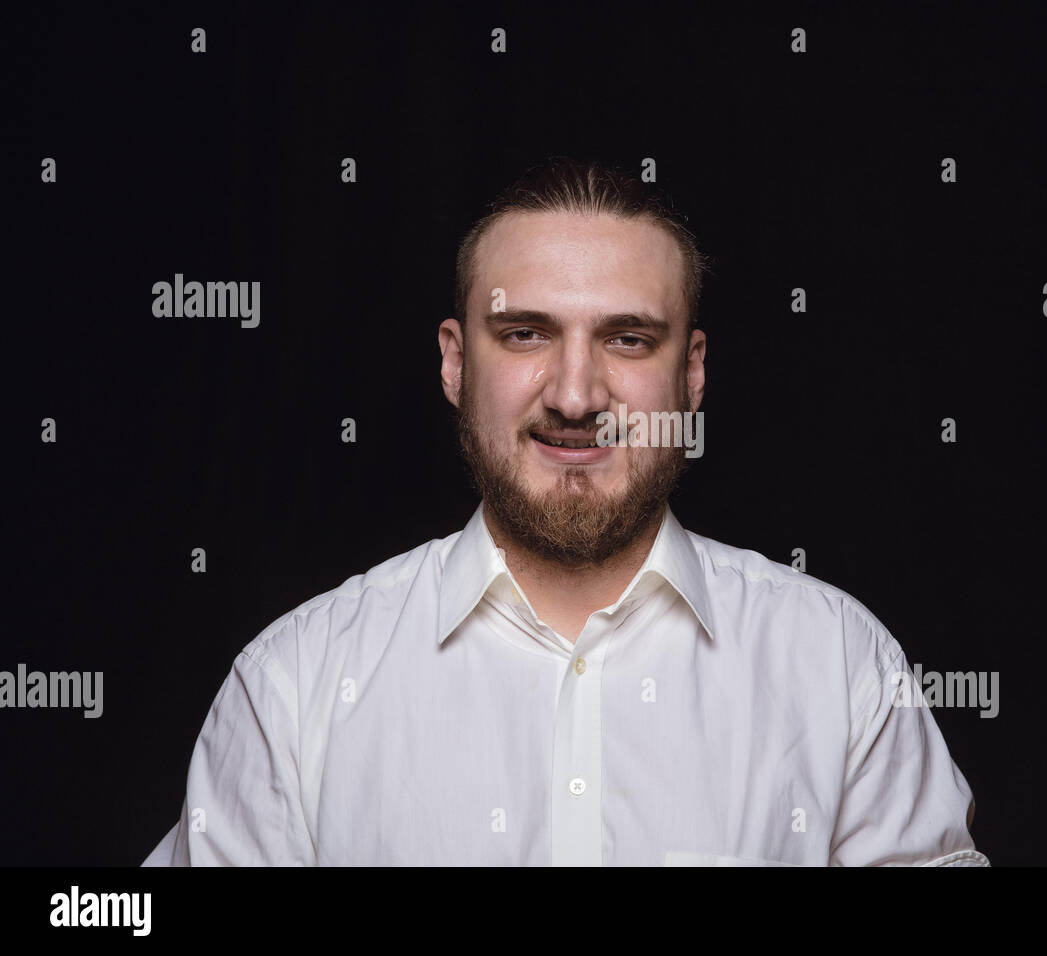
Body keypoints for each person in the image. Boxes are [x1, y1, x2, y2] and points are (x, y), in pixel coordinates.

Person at [143, 157, 989, 866]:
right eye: (524, 334)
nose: (577, 396)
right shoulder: (292, 689)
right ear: (453, 362)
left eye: (627, 339)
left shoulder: (839, 668)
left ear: (691, 376)